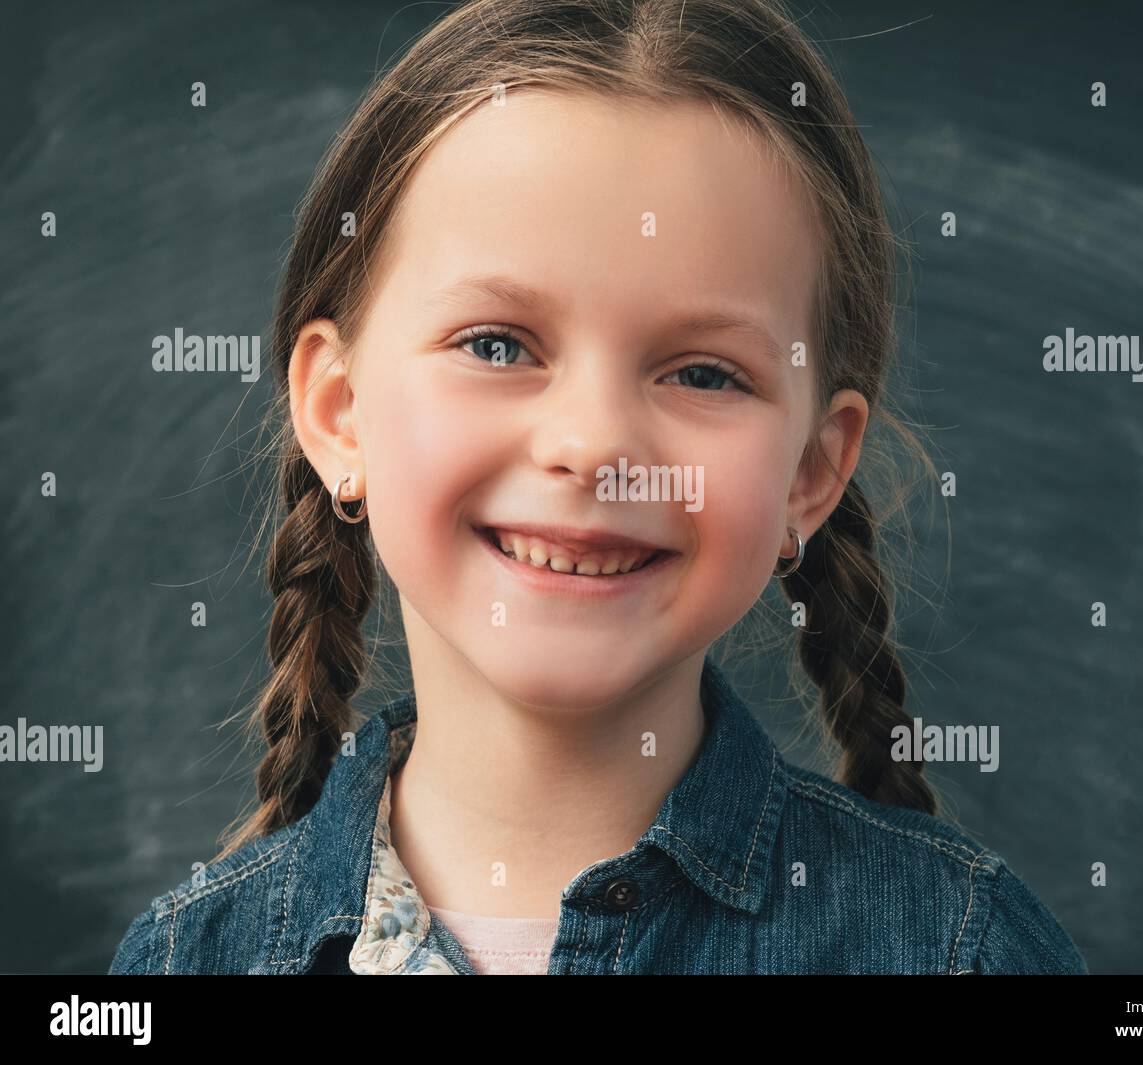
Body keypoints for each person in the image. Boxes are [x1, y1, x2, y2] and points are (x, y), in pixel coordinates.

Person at [109, 0, 1087, 975]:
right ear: (338, 412)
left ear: (810, 472)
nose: (593, 447)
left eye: (703, 373)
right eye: (497, 345)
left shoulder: (966, 949)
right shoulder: (184, 960)